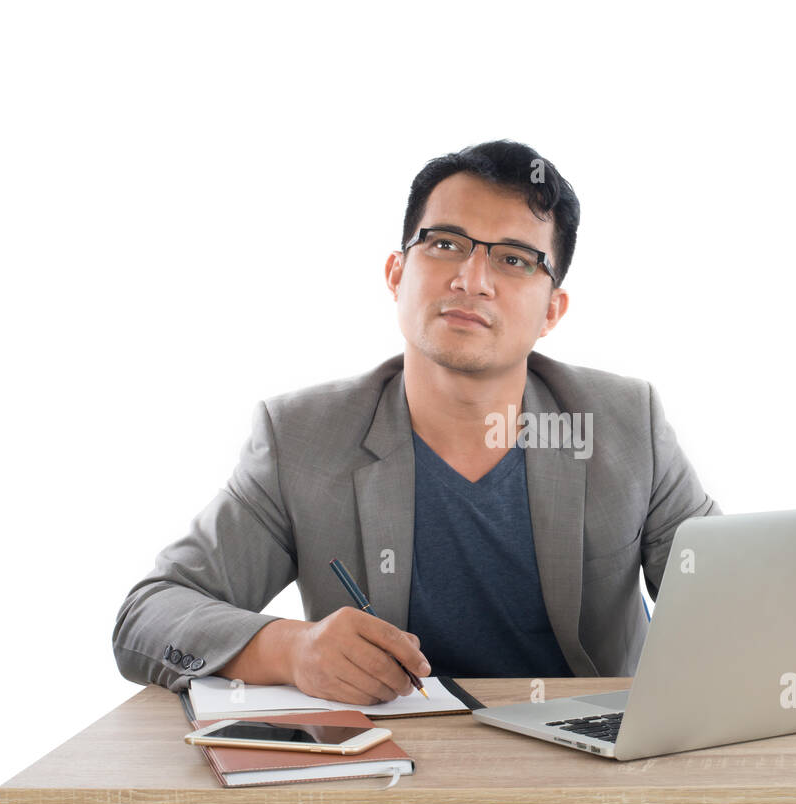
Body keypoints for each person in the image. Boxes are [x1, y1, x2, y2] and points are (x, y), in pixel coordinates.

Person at [112, 140, 720, 705]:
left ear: (551, 312)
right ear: (397, 274)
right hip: (391, 775)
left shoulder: (624, 425)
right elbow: (149, 614)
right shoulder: (300, 439)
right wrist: (292, 649)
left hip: (597, 772)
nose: (471, 279)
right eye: (446, 244)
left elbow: (739, 604)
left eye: (514, 259)